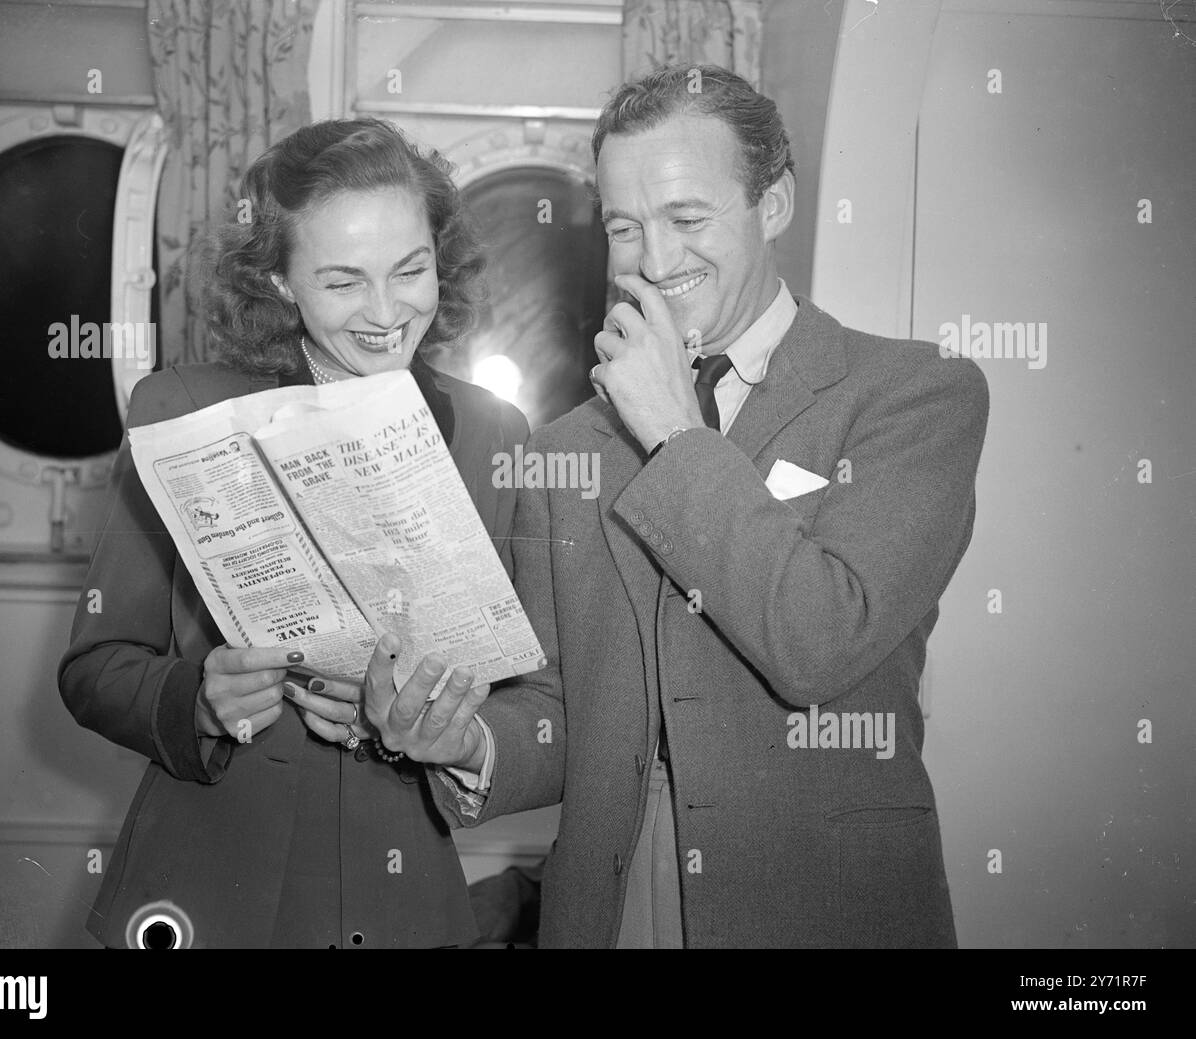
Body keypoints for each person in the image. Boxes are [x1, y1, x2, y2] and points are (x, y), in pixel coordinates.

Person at [357, 63, 991, 948]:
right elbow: (557, 707)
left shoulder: (914, 394)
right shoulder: (567, 448)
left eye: (688, 218)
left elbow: (822, 641)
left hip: (822, 898)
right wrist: (464, 741)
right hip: (610, 902)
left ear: (774, 204)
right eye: (624, 227)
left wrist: (673, 433)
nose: (653, 262)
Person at [58, 118, 527, 948]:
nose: (387, 313)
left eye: (411, 269)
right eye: (344, 282)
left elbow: (535, 693)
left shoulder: (498, 434)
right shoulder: (183, 410)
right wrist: (196, 698)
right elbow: (95, 666)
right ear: (279, 279)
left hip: (401, 895)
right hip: (208, 878)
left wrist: (451, 726)